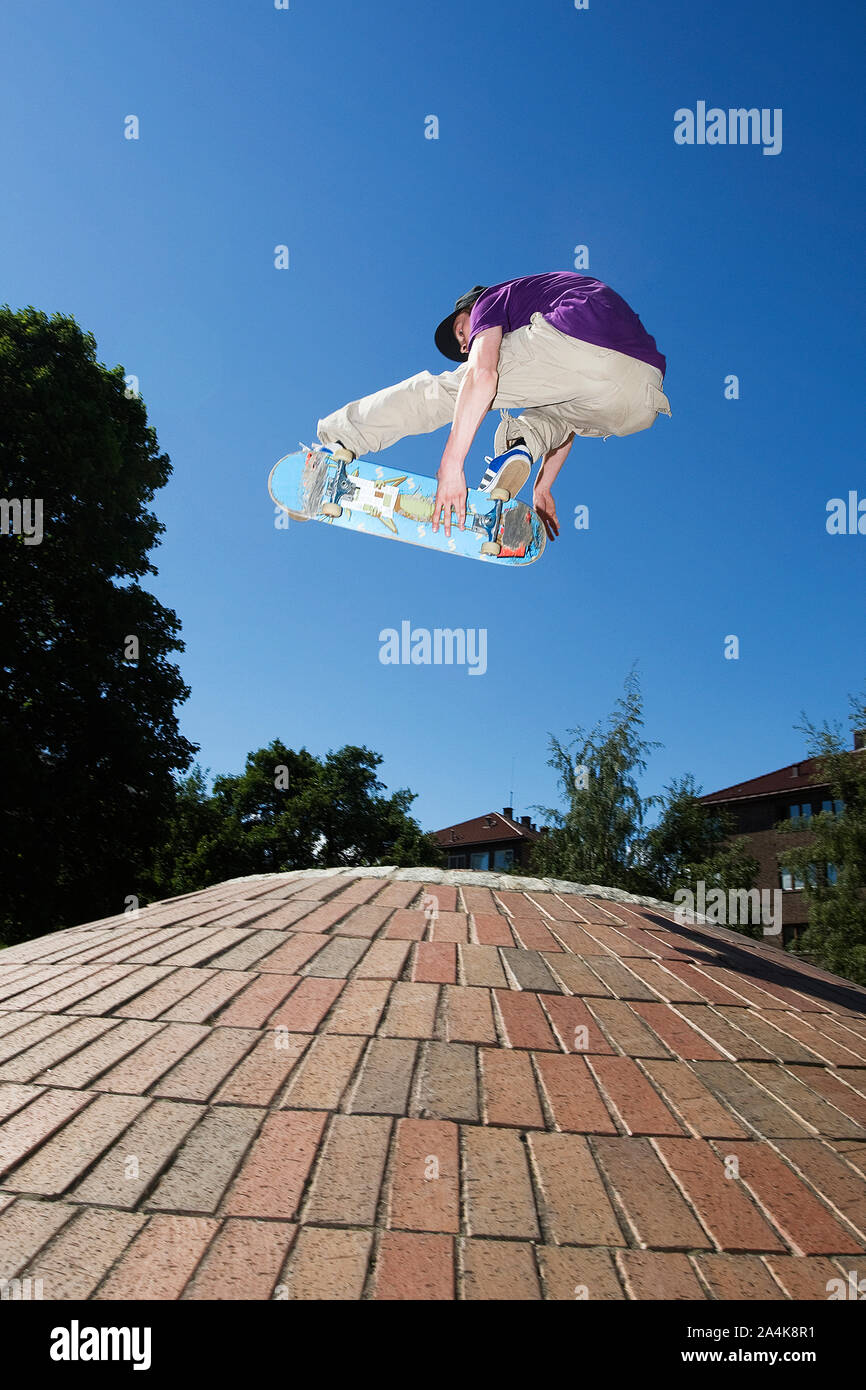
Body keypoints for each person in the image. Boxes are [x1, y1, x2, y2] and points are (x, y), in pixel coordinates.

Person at [316, 270, 671, 541]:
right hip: (640, 398)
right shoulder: (553, 296)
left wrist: (452, 465)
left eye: (461, 332)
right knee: (556, 413)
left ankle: (340, 440)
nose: (465, 346)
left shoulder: (491, 300)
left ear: (472, 309)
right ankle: (520, 449)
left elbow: (482, 376)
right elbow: (568, 418)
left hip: (573, 340)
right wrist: (544, 486)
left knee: (453, 389)